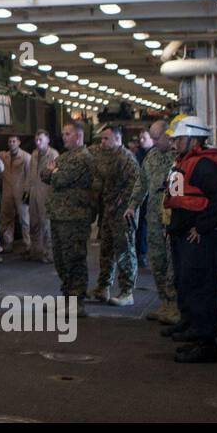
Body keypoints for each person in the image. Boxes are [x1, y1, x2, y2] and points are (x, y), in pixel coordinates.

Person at [160, 116, 217, 364]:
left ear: (193, 138)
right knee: (187, 284)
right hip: (184, 235)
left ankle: (206, 343)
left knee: (201, 289)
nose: (174, 143)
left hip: (201, 239)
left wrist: (201, 227)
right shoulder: (184, 162)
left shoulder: (205, 165)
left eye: (178, 139)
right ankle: (194, 331)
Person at [127, 120, 179, 323]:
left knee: (173, 263)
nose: (154, 141)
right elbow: (142, 182)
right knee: (157, 260)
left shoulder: (178, 157)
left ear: (169, 135)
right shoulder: (152, 156)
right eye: (153, 138)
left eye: (158, 138)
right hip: (154, 219)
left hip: (173, 219)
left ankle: (176, 306)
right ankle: (165, 303)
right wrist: (133, 205)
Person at [42, 121, 95, 313]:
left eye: (68, 134)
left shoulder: (83, 157)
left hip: (74, 217)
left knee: (74, 258)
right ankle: (67, 296)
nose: (63, 137)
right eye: (63, 134)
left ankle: (77, 302)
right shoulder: (65, 157)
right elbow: (43, 174)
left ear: (78, 136)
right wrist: (53, 171)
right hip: (59, 215)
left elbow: (60, 178)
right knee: (61, 259)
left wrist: (54, 171)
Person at [90, 125, 140, 306]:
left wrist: (123, 203)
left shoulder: (126, 158)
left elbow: (136, 184)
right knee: (106, 251)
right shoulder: (106, 157)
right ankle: (103, 287)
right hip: (109, 212)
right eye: (101, 139)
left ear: (117, 140)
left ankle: (127, 292)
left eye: (106, 139)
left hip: (123, 213)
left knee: (125, 252)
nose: (102, 142)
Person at [26, 129, 58, 263]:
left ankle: (49, 253)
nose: (38, 143)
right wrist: (27, 191)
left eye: (41, 140)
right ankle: (36, 251)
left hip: (46, 193)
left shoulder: (54, 155)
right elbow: (30, 174)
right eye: (36, 140)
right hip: (34, 192)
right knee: (33, 223)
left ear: (48, 140)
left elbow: (56, 176)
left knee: (46, 224)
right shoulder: (34, 154)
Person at [0, 135, 32, 255]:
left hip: (21, 192)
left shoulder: (26, 157)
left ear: (19, 143)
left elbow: (30, 176)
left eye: (14, 141)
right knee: (6, 218)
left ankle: (28, 245)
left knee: (25, 219)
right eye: (10, 141)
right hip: (7, 191)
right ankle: (8, 243)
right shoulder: (5, 156)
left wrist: (27, 192)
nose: (12, 143)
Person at [133, 127, 154, 266]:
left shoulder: (157, 155)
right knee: (140, 226)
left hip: (153, 197)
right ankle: (141, 253)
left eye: (144, 138)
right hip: (141, 197)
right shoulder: (137, 155)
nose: (141, 141)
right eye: (140, 138)